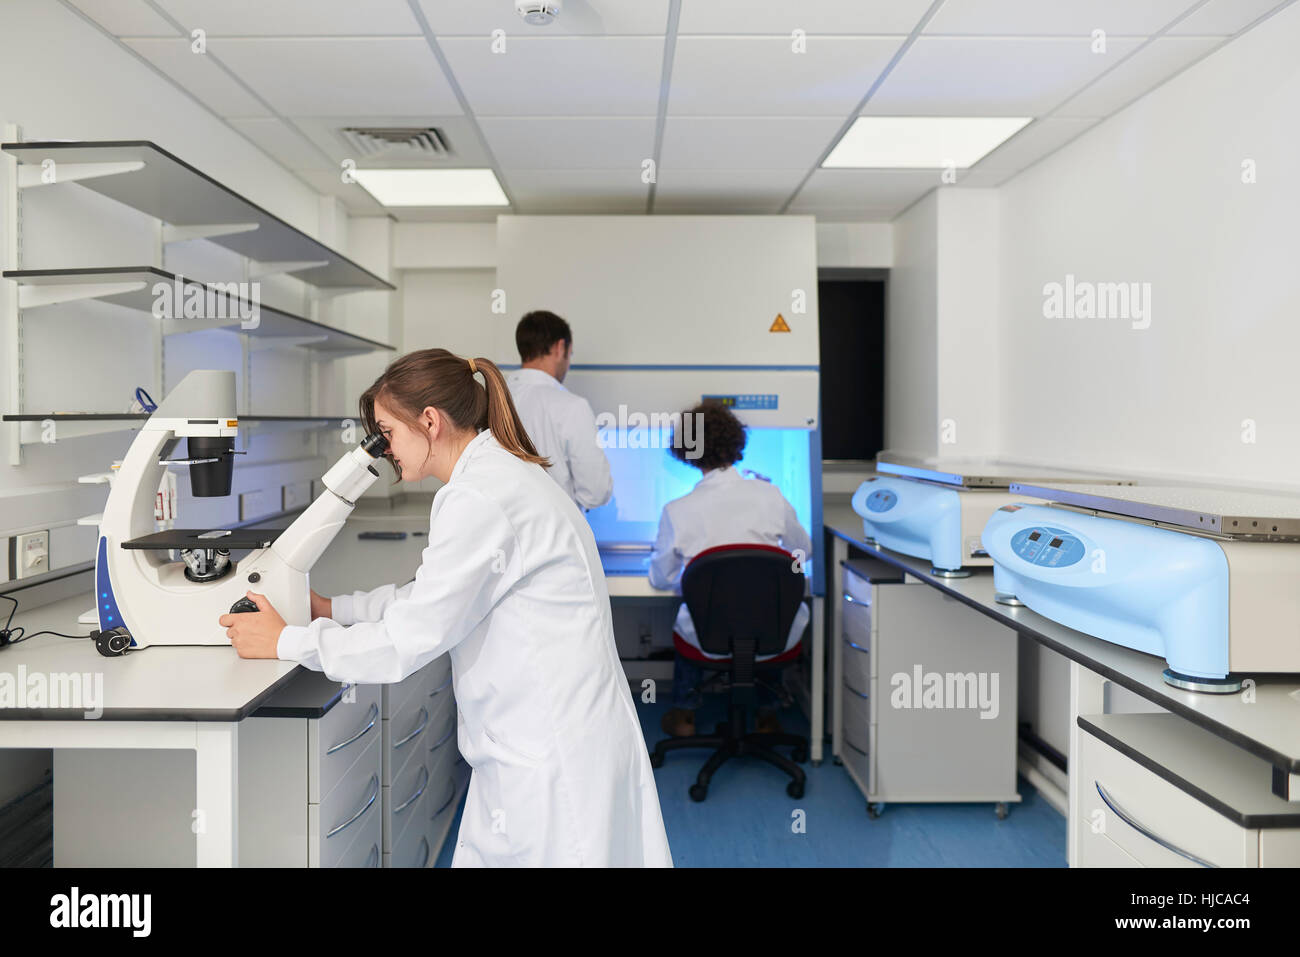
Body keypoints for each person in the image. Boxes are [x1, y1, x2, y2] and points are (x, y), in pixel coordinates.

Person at [218, 348, 671, 868]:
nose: (383, 449)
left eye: (386, 431)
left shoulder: (478, 496)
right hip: (553, 741)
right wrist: (332, 608)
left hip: (548, 758)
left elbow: (409, 639)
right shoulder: (498, 475)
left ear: (429, 421)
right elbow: (432, 597)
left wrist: (285, 642)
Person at [648, 401, 812, 739]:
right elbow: (803, 552)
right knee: (768, 613)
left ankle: (684, 716)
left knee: (690, 617)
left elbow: (661, 579)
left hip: (709, 639)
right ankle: (768, 717)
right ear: (735, 442)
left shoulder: (677, 510)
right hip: (773, 636)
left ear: (686, 451)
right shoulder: (770, 494)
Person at [505, 310, 612, 510]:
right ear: (560, 347)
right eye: (570, 355)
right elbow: (596, 492)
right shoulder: (572, 407)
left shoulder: (492, 400)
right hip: (556, 534)